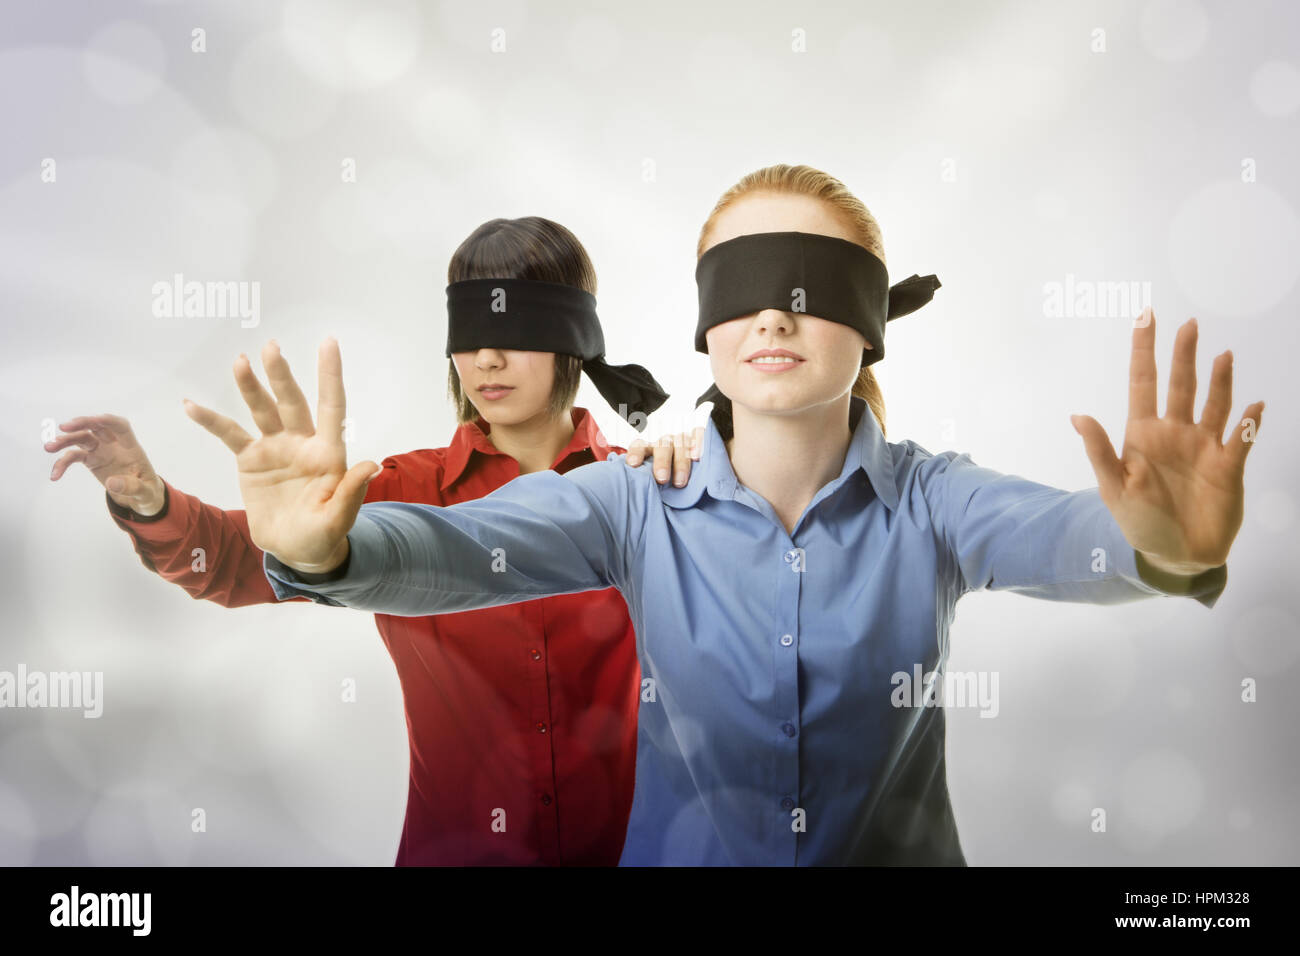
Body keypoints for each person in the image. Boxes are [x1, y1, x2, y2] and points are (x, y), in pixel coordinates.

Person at [189, 164, 1263, 865]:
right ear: (704, 328)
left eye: (810, 284)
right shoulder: (631, 502)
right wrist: (324, 547)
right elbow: (467, 546)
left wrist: (1157, 544)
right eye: (741, 286)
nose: (772, 314)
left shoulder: (935, 502)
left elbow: (1067, 537)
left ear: (872, 323)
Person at [44, 216, 699, 866]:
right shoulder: (399, 492)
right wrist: (147, 498)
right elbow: (237, 562)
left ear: (574, 338)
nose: (487, 359)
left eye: (518, 331)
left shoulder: (645, 491)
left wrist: (709, 472)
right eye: (471, 334)